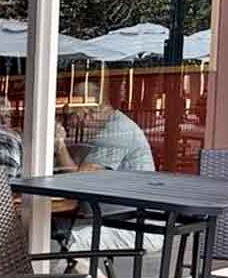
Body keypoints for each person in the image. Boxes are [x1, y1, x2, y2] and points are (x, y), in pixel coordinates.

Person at [54, 82, 162, 256]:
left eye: (74, 114)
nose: (73, 122)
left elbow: (77, 182)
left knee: (72, 243)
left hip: (135, 226)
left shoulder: (116, 132)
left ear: (88, 111)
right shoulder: (106, 128)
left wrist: (59, 144)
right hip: (114, 220)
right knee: (58, 235)